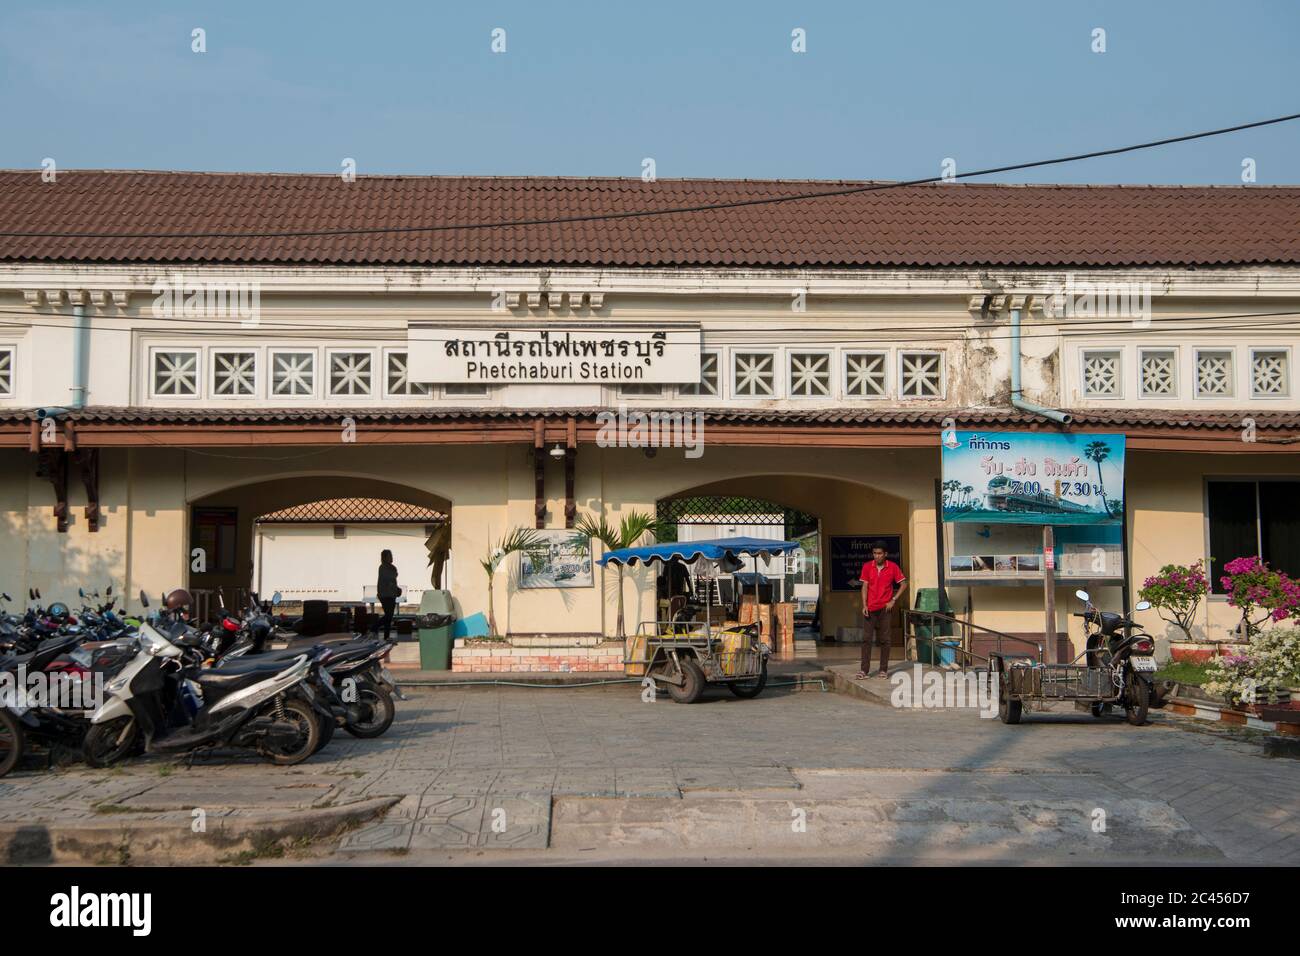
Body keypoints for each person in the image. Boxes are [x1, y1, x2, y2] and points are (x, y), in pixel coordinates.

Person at [857, 541, 906, 680]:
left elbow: (903, 584)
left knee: (885, 639)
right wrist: (864, 605)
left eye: (879, 553)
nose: (876, 556)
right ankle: (864, 670)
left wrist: (893, 600)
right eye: (874, 553)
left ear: (885, 554)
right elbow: (865, 586)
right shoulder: (867, 566)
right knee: (866, 639)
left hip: (885, 609)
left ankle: (883, 670)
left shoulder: (893, 567)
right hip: (870, 608)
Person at [376, 549, 400, 641]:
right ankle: (374, 628)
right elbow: (390, 578)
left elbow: (393, 579)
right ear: (384, 558)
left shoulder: (391, 567)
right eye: (389, 556)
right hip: (385, 594)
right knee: (389, 615)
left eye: (391, 555)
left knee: (389, 616)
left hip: (391, 594)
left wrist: (396, 589)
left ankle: (386, 636)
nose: (391, 557)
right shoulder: (383, 567)